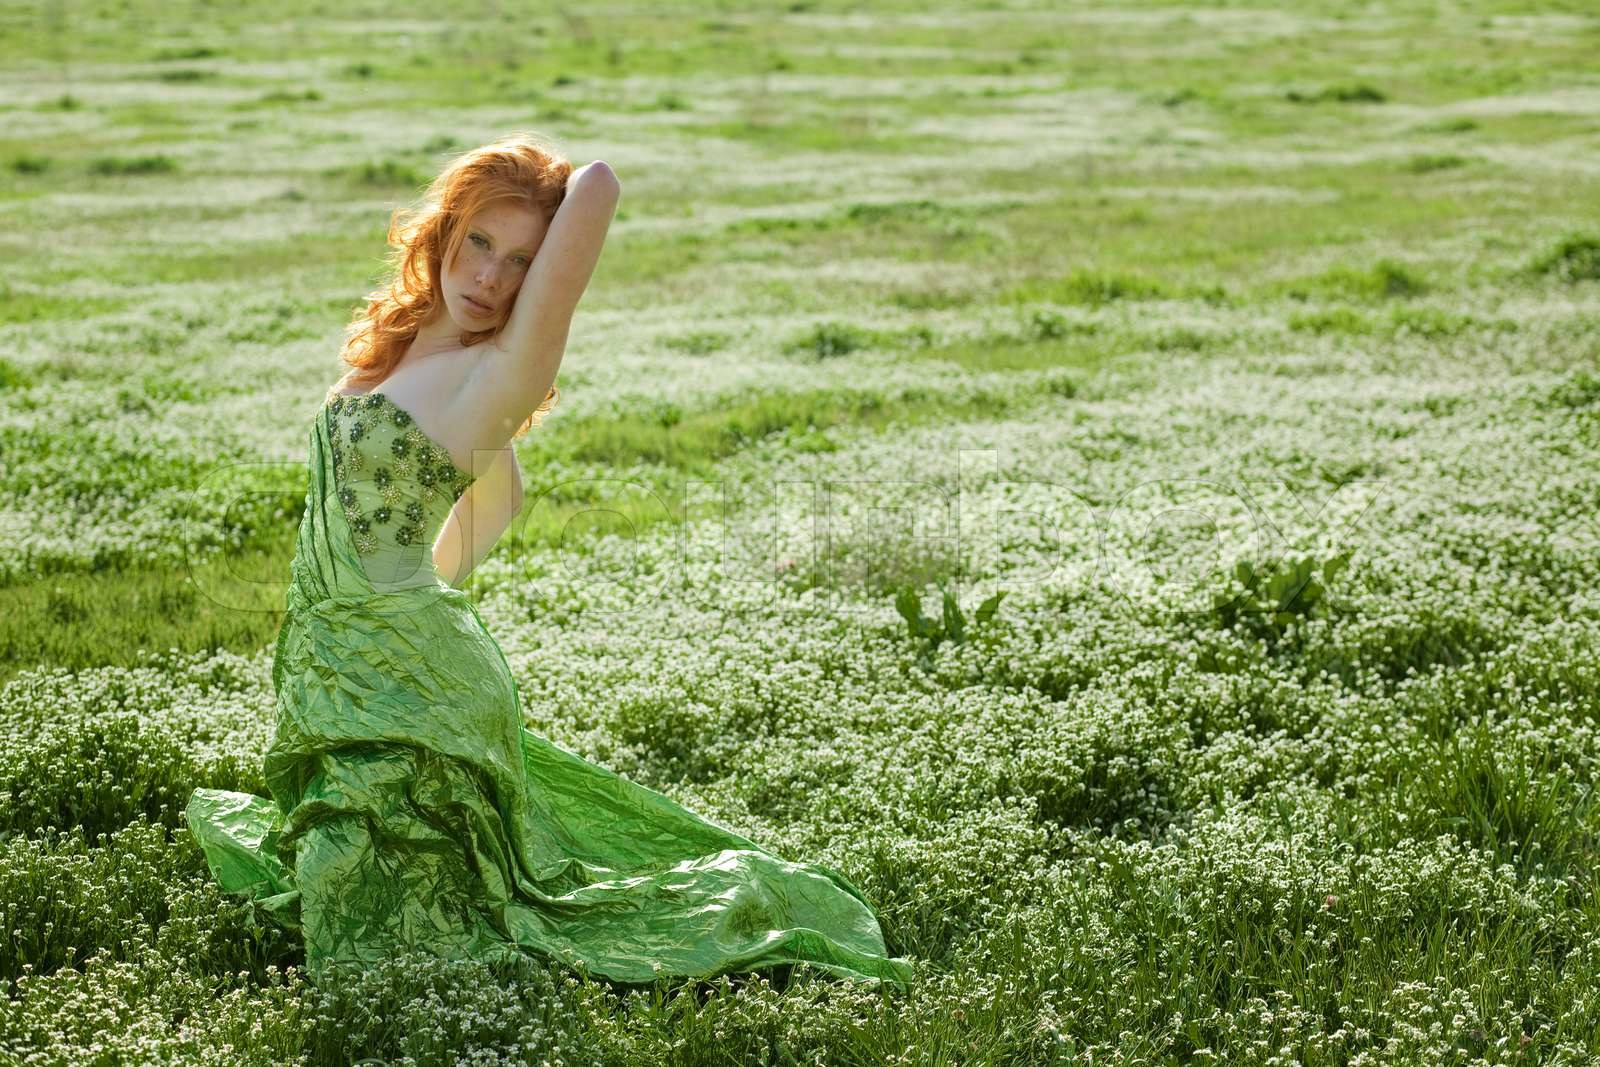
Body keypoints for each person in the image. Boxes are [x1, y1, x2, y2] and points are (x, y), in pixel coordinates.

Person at [183, 133, 914, 991]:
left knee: (393, 940)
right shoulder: (406, 347)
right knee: (359, 894)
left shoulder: (504, 369)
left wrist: (548, 184)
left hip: (399, 688)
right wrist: (399, 605)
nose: (492, 277)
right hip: (371, 658)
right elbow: (499, 502)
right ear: (445, 231)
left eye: (522, 261)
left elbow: (597, 188)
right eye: (481, 242)